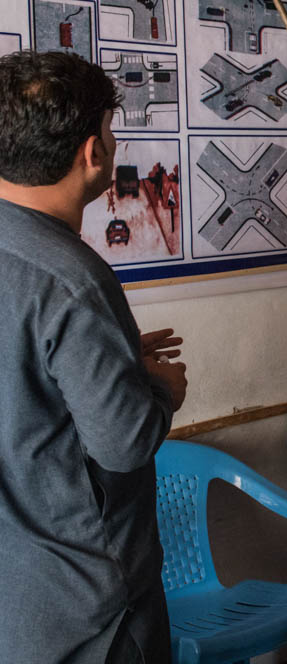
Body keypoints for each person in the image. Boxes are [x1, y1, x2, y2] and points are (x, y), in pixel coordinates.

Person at [0, 51, 188, 663]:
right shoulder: (73, 279)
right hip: (91, 606)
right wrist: (161, 388)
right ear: (91, 152)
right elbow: (124, 442)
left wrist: (108, 359)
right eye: (109, 130)